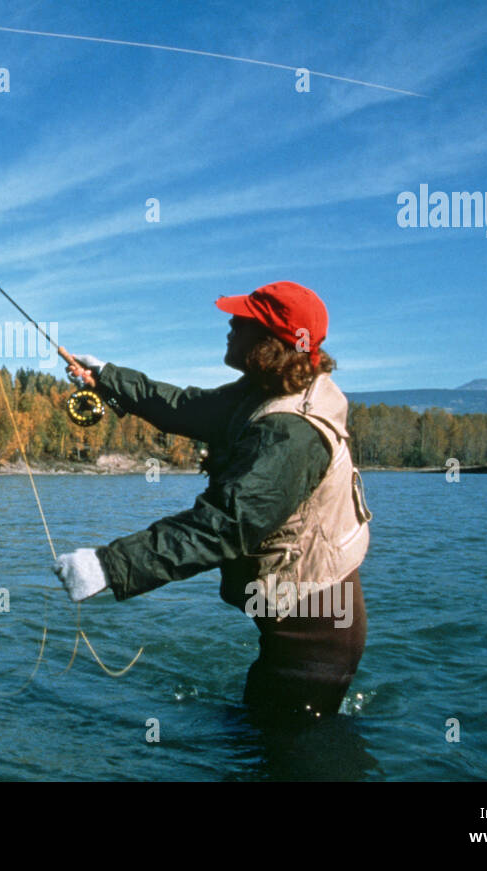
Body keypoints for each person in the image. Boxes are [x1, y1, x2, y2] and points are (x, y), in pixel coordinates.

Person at [53, 281, 373, 719]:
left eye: (242, 321)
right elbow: (185, 407)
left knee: (286, 753)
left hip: (313, 644)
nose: (229, 324)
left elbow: (224, 525)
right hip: (298, 628)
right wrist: (108, 376)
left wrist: (109, 566)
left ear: (268, 344)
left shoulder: (291, 432)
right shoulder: (264, 391)